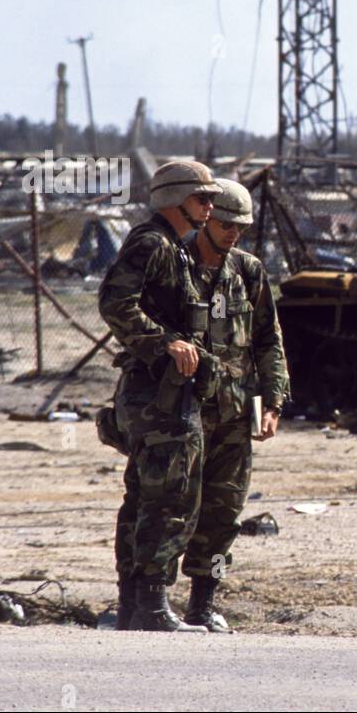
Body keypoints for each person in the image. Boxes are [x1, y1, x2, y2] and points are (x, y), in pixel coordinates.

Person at [98, 160, 221, 632]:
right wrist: (163, 342)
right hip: (158, 394)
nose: (209, 206)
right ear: (175, 200)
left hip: (162, 391)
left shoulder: (175, 247)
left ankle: (135, 604)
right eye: (201, 198)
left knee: (147, 495)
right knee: (171, 496)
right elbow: (114, 301)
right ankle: (149, 604)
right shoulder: (152, 242)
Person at [180, 177, 290, 632]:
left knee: (224, 514)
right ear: (207, 219)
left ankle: (202, 603)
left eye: (239, 227)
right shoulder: (175, 264)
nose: (231, 233)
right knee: (167, 506)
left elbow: (269, 339)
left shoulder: (247, 272)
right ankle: (144, 600)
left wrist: (274, 401)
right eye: (224, 223)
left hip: (233, 414)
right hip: (179, 412)